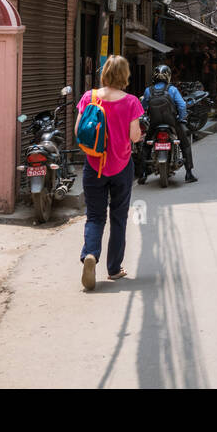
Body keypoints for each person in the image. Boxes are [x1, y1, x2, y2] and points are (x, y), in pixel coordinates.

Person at [75, 55, 145, 290]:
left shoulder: (90, 97)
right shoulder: (132, 101)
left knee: (95, 216)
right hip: (121, 167)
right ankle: (114, 269)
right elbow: (134, 136)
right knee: (118, 217)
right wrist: (137, 135)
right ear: (125, 75)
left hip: (94, 166)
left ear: (104, 72)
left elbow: (78, 131)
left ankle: (90, 254)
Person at [142, 64, 198, 184]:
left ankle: (143, 174)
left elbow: (143, 107)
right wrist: (181, 118)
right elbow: (182, 106)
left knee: (146, 145)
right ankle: (189, 173)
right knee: (185, 144)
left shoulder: (148, 90)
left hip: (154, 123)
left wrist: (146, 116)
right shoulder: (172, 90)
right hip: (172, 122)